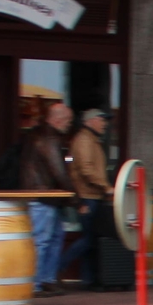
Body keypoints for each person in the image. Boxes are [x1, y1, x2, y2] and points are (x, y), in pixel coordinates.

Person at [16, 99, 73, 296]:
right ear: (57, 120)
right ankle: (36, 283)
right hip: (42, 196)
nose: (69, 124)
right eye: (68, 120)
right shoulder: (49, 138)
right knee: (41, 240)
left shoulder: (38, 135)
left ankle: (46, 279)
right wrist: (75, 198)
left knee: (54, 237)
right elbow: (59, 171)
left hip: (45, 197)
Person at [59, 107, 113, 289]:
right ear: (91, 121)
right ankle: (60, 266)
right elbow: (86, 170)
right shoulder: (84, 140)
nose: (104, 123)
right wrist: (106, 187)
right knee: (90, 239)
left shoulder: (91, 139)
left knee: (92, 239)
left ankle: (88, 279)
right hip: (87, 196)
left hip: (92, 195)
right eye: (101, 119)